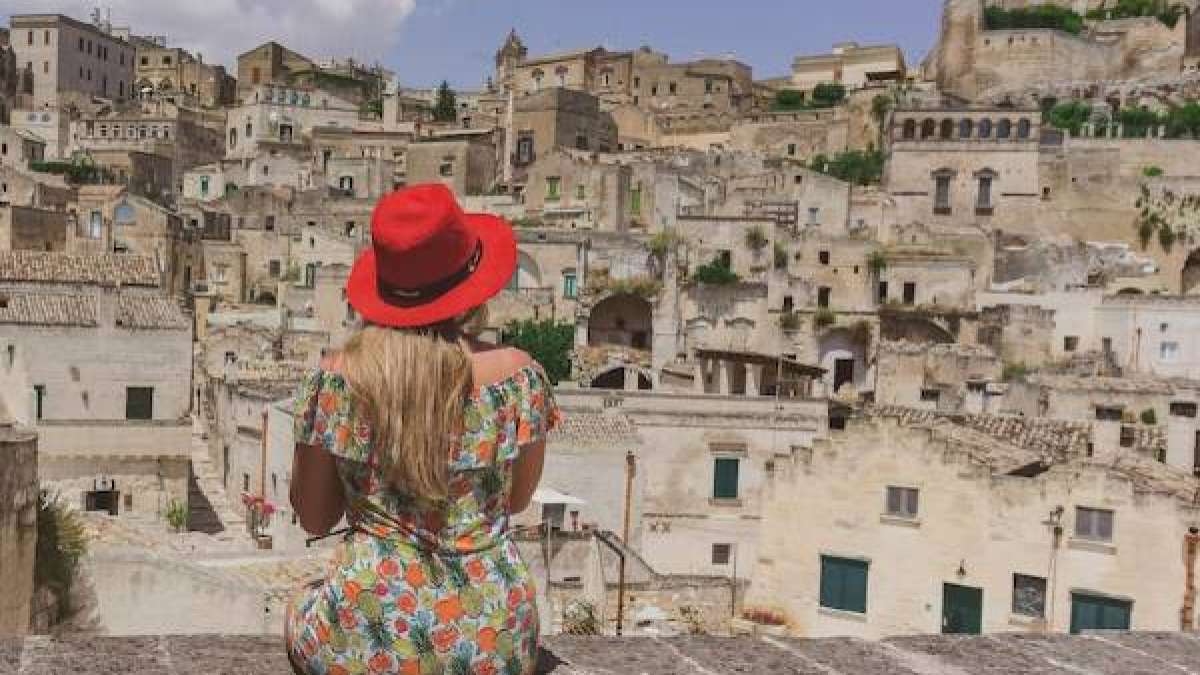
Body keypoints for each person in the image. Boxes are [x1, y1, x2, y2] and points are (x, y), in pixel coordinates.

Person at [285, 184, 560, 675]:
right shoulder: (520, 377)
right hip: (494, 640)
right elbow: (516, 500)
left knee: (295, 606)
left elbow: (314, 517)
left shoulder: (336, 380)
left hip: (367, 635)